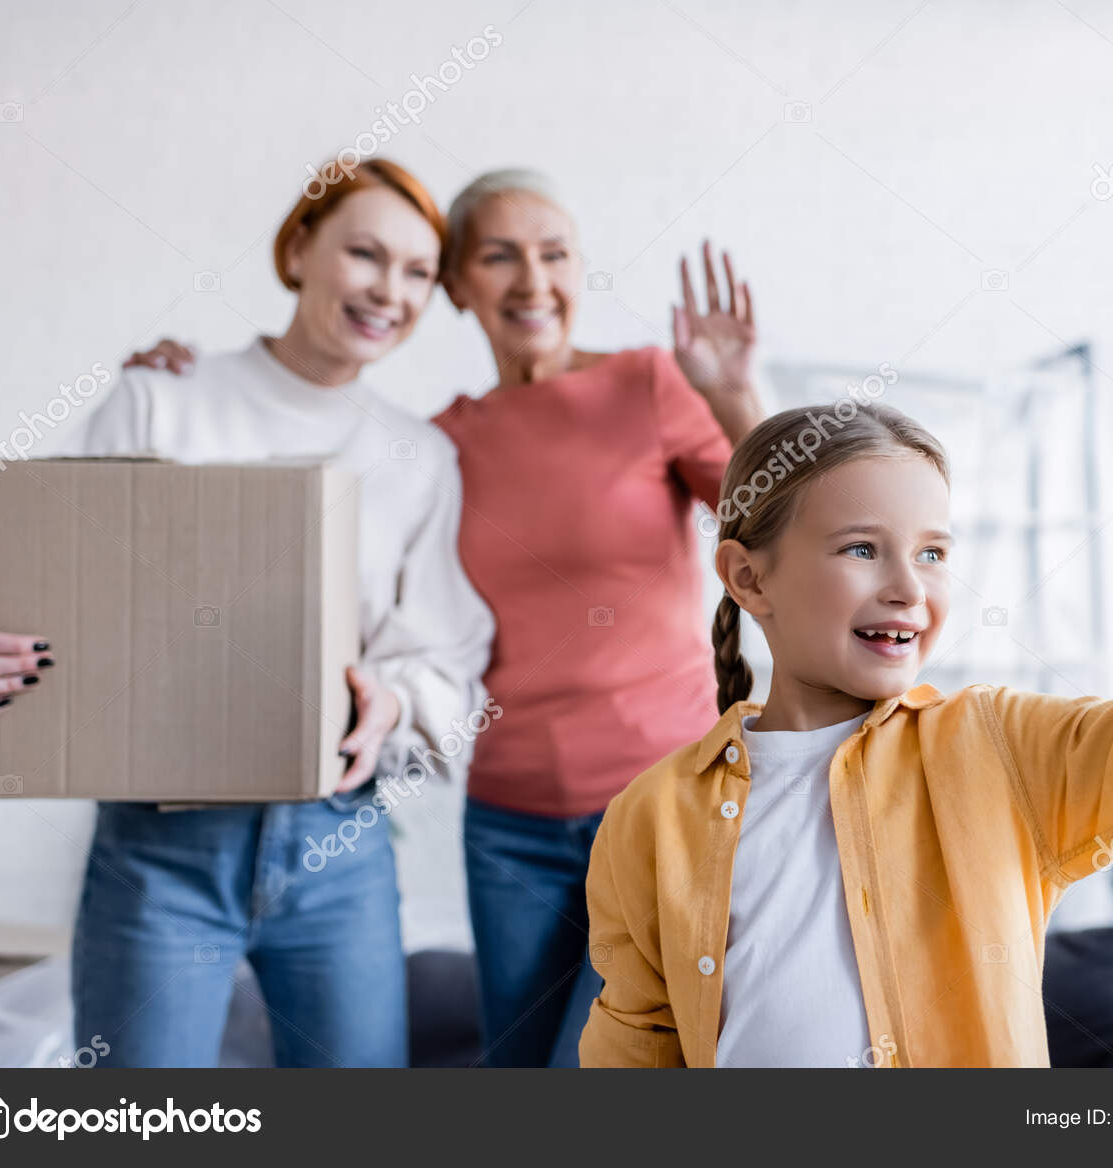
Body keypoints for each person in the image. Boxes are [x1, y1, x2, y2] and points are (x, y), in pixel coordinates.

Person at [577, 317, 1113, 1067]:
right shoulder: (648, 820)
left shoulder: (994, 749)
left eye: (935, 552)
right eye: (862, 549)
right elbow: (635, 1057)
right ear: (748, 579)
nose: (912, 587)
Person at [124, 168, 765, 1067]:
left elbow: (781, 526)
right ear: (456, 288)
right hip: (510, 824)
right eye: (499, 257)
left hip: (662, 804)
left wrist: (734, 394)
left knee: (603, 1067)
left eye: (554, 254)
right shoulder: (433, 446)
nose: (532, 280)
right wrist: (181, 385)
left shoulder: (650, 386)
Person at [0, 158, 494, 1067]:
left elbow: (447, 659)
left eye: (419, 271)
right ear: (299, 248)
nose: (391, 290)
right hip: (158, 852)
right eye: (365, 253)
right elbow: (15, 597)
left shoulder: (420, 458)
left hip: (337, 846)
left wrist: (390, 702)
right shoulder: (161, 399)